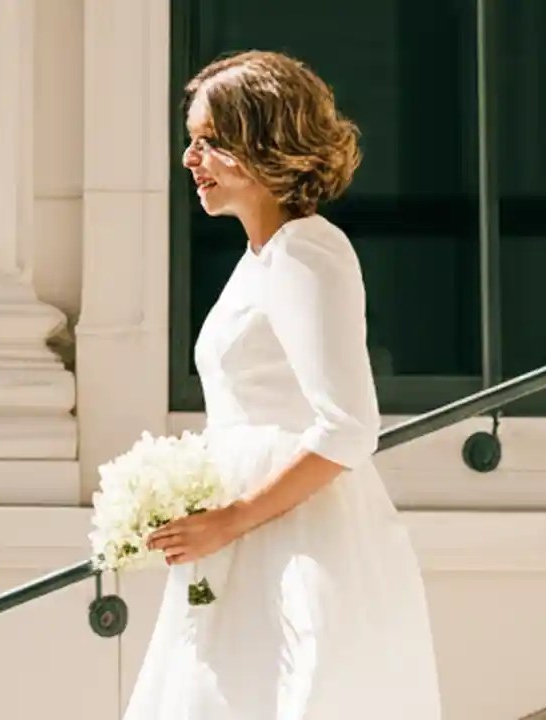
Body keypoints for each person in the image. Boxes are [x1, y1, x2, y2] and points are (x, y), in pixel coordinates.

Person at [129, 50, 443, 719]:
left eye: (208, 142)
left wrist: (232, 521)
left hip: (291, 539)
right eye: (191, 141)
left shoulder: (307, 251)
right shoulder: (260, 259)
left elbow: (351, 427)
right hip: (245, 537)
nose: (190, 159)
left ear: (262, 143)